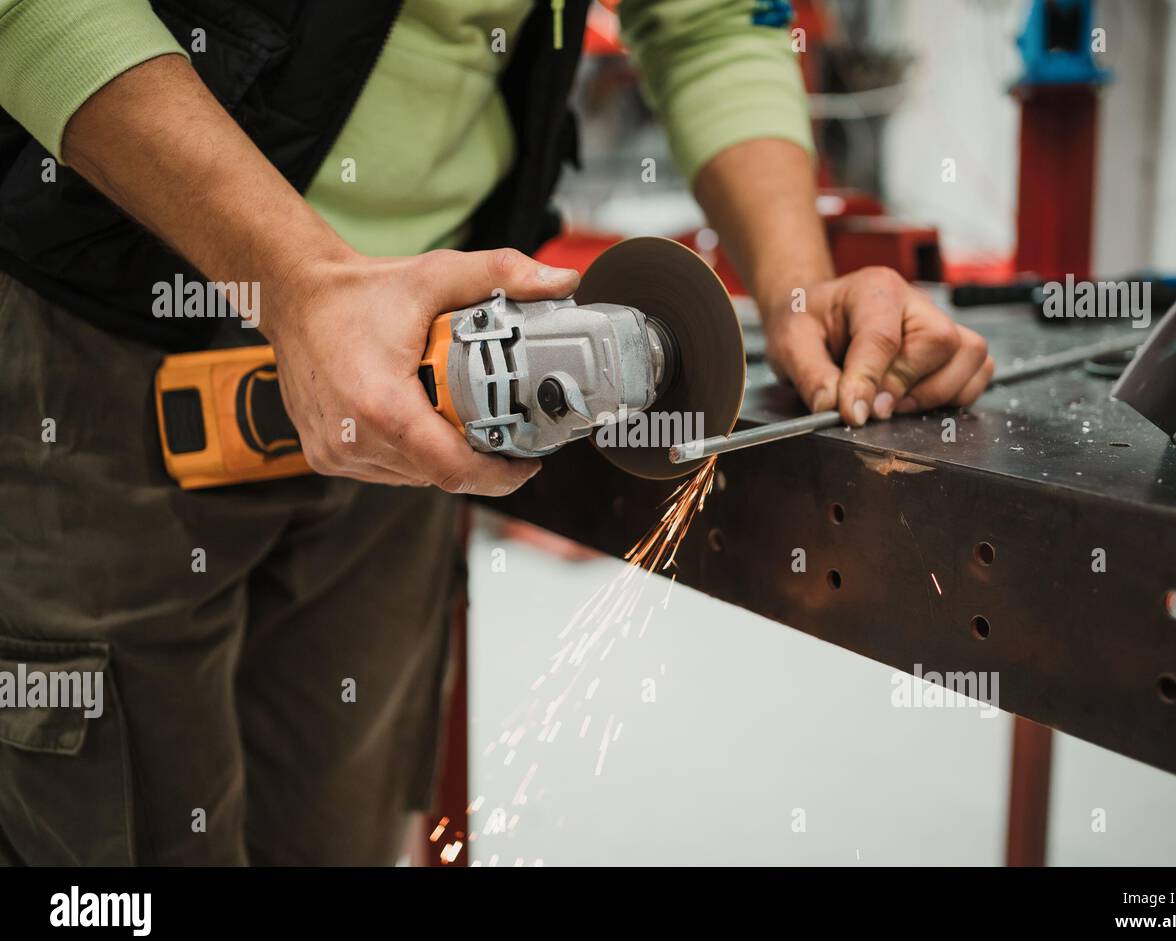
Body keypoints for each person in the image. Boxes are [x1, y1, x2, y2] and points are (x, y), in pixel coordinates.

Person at [0, 0, 991, 865]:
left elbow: (708, 19)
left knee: (335, 825)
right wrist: (297, 282)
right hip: (98, 310)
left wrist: (799, 288)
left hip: (416, 370)